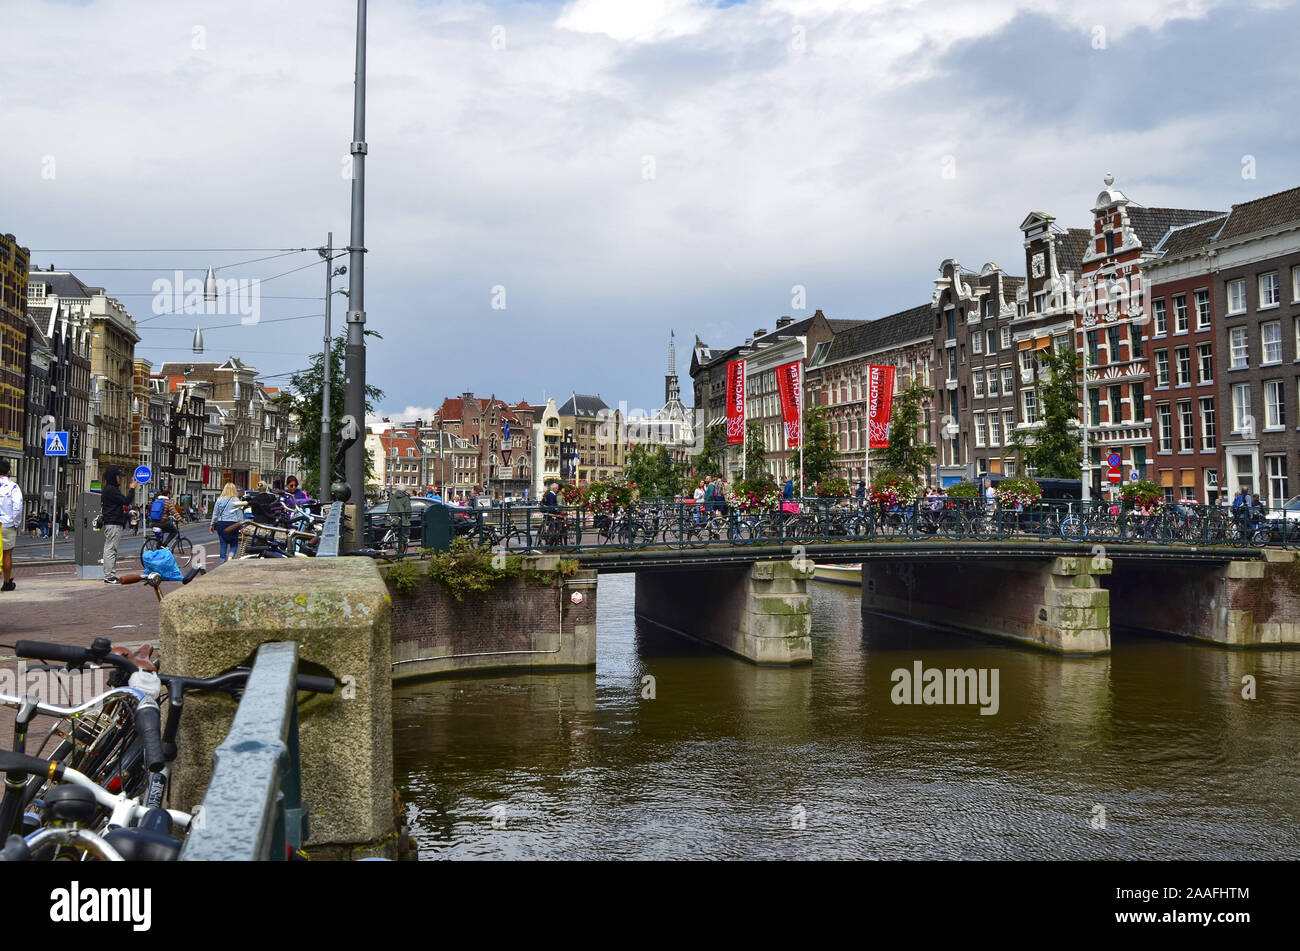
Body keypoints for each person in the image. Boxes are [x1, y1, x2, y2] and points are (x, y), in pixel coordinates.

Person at [100, 467, 136, 585]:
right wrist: (132, 489)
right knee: (111, 549)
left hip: (112, 521)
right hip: (113, 523)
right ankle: (109, 576)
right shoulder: (112, 490)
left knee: (110, 548)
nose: (120, 479)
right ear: (114, 477)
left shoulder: (109, 489)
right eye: (119, 477)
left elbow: (115, 506)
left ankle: (109, 574)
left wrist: (126, 514)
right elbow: (125, 501)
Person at [0, 460, 22, 592]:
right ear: (8, 472)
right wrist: (16, 523)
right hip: (7, 524)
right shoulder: (13, 487)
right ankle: (6, 582)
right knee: (7, 554)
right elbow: (17, 506)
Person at [209, 482, 243, 562]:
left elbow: (215, 513)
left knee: (223, 544)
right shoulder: (236, 500)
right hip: (233, 524)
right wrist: (242, 525)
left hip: (221, 524)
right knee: (234, 543)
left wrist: (212, 525)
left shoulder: (219, 499)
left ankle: (222, 562)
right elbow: (239, 514)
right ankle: (230, 558)